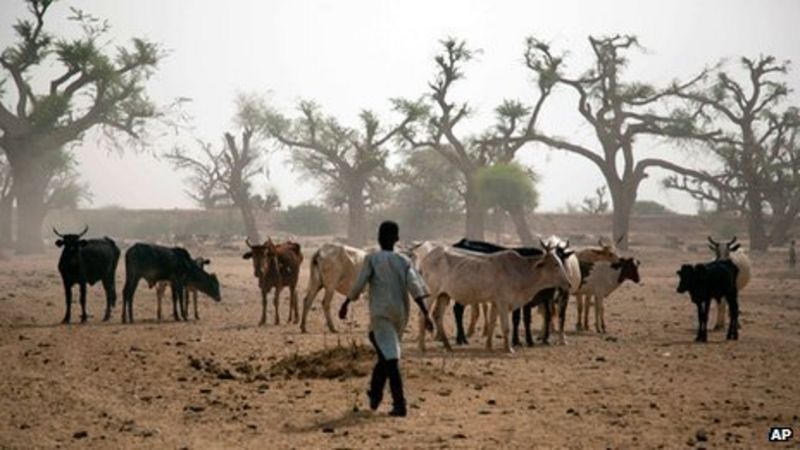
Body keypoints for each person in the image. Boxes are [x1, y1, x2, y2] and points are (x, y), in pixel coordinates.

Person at [338, 221, 434, 417]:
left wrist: (346, 302)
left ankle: (400, 405)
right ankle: (375, 394)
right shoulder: (404, 261)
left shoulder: (372, 259)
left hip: (381, 314)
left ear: (379, 238)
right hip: (400, 315)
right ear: (396, 239)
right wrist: (426, 313)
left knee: (390, 359)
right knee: (387, 354)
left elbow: (360, 282)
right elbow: (416, 289)